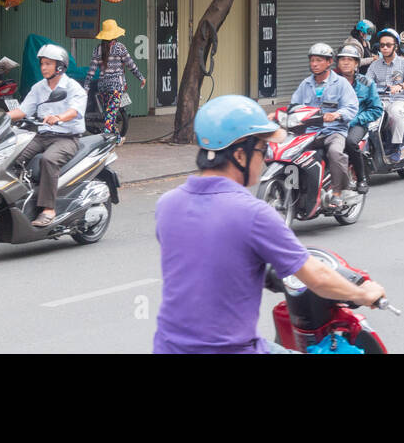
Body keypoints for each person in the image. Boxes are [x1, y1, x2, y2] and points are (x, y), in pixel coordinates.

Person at [155, 95, 386, 354]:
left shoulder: (167, 204)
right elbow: (318, 279)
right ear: (240, 154)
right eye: (263, 149)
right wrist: (363, 294)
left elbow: (206, 259)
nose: (266, 158)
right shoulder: (253, 214)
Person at [269, 42, 359, 207]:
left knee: (334, 153)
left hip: (333, 132)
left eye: (318, 60)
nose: (314, 64)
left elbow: (351, 107)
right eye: (312, 61)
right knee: (286, 151)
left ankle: (340, 192)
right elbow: (294, 105)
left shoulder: (341, 83)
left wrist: (337, 114)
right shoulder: (306, 84)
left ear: (329, 62)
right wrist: (277, 115)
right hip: (307, 132)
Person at [8, 44, 87, 227]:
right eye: (42, 63)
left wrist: (59, 117)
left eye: (48, 64)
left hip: (67, 138)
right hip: (42, 136)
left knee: (48, 160)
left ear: (59, 66)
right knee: (13, 157)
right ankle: (20, 199)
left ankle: (48, 209)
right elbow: (22, 110)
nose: (43, 67)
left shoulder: (73, 87)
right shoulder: (38, 87)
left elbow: (74, 112)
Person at [84, 19, 147, 133]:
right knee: (110, 117)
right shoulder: (119, 47)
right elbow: (130, 65)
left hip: (102, 86)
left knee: (109, 116)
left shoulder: (97, 49)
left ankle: (116, 139)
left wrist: (86, 87)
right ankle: (107, 138)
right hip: (116, 87)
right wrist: (141, 77)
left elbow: (91, 71)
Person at [336, 42, 382, 193]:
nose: (346, 62)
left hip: (357, 123)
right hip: (333, 123)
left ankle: (361, 179)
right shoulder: (331, 82)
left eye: (350, 59)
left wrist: (355, 119)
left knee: (349, 142)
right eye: (343, 59)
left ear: (356, 63)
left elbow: (376, 109)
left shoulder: (366, 83)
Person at [364, 28, 404, 148]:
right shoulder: (374, 65)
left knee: (395, 112)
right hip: (379, 101)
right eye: (382, 45)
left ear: (396, 47)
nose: (385, 48)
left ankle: (396, 147)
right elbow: (367, 82)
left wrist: (399, 86)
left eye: (388, 45)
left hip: (399, 100)